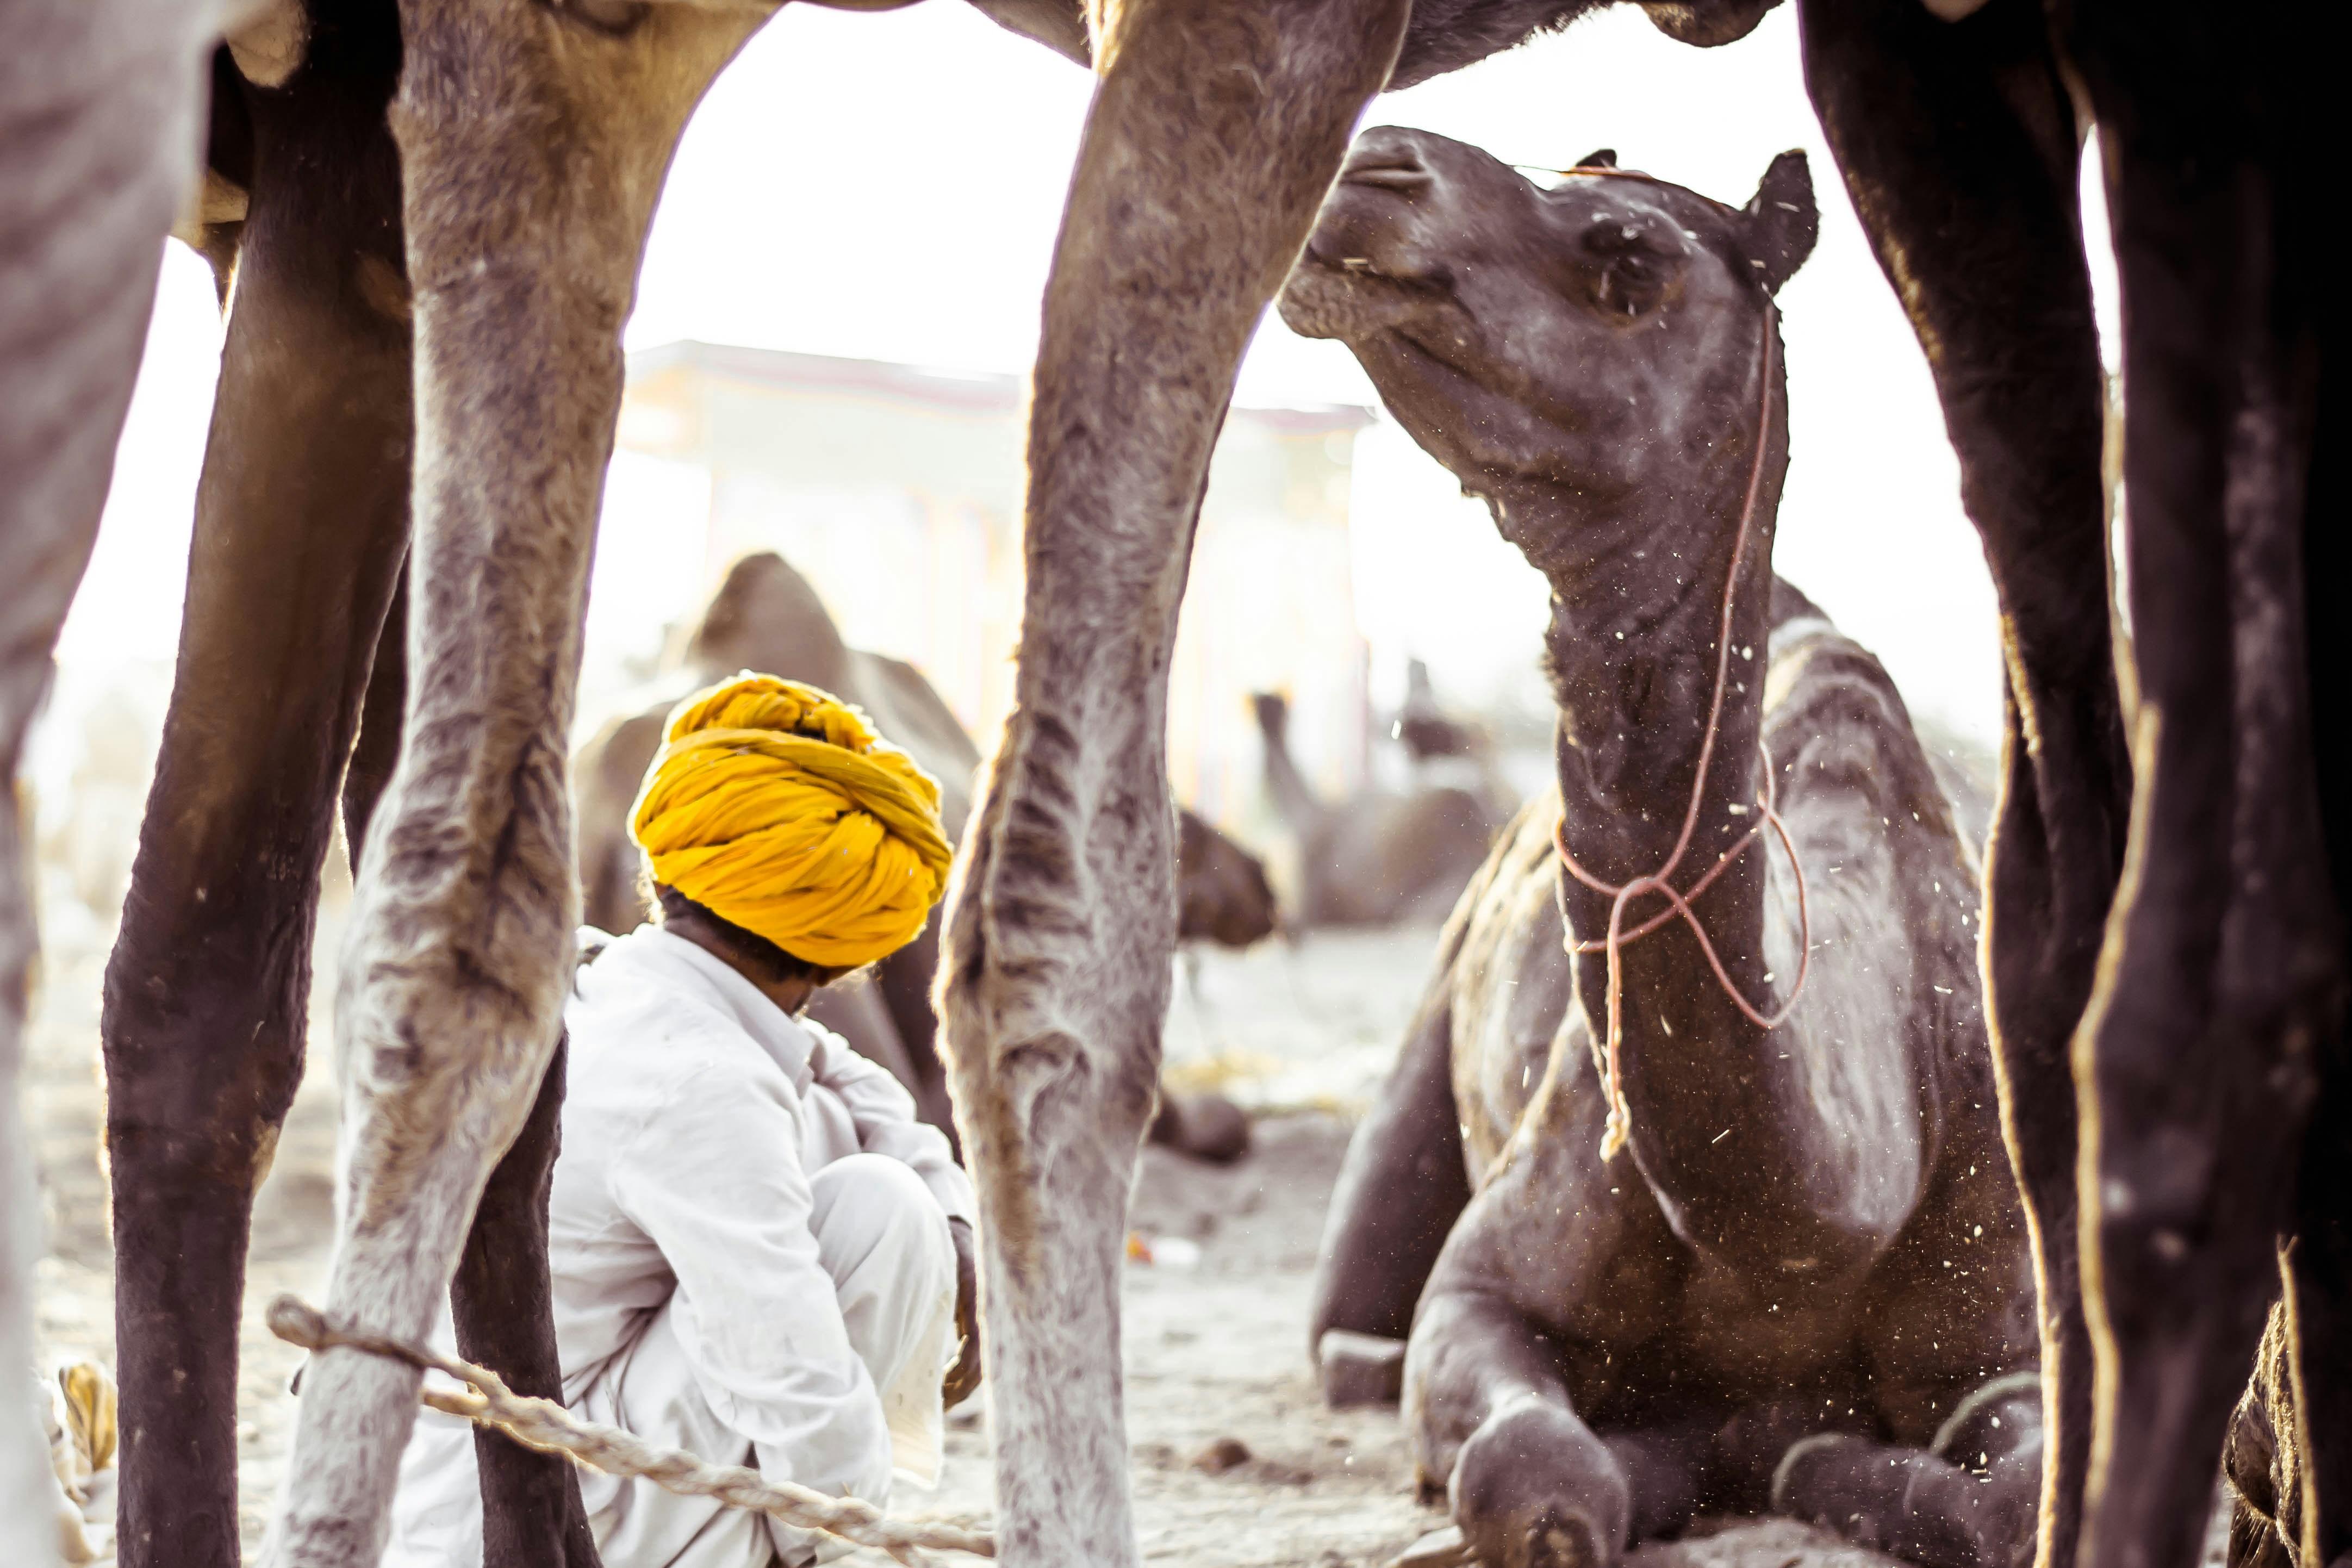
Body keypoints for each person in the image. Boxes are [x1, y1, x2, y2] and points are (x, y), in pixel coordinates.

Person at [384, 674, 978, 1568]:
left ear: (665, 872)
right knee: (884, 1216)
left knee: (876, 1175)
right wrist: (863, 1542)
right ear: (850, 950)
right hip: (520, 1514)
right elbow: (794, 1385)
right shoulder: (706, 1084)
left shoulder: (612, 976)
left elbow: (832, 1063)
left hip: (450, 1479)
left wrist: (956, 1222)